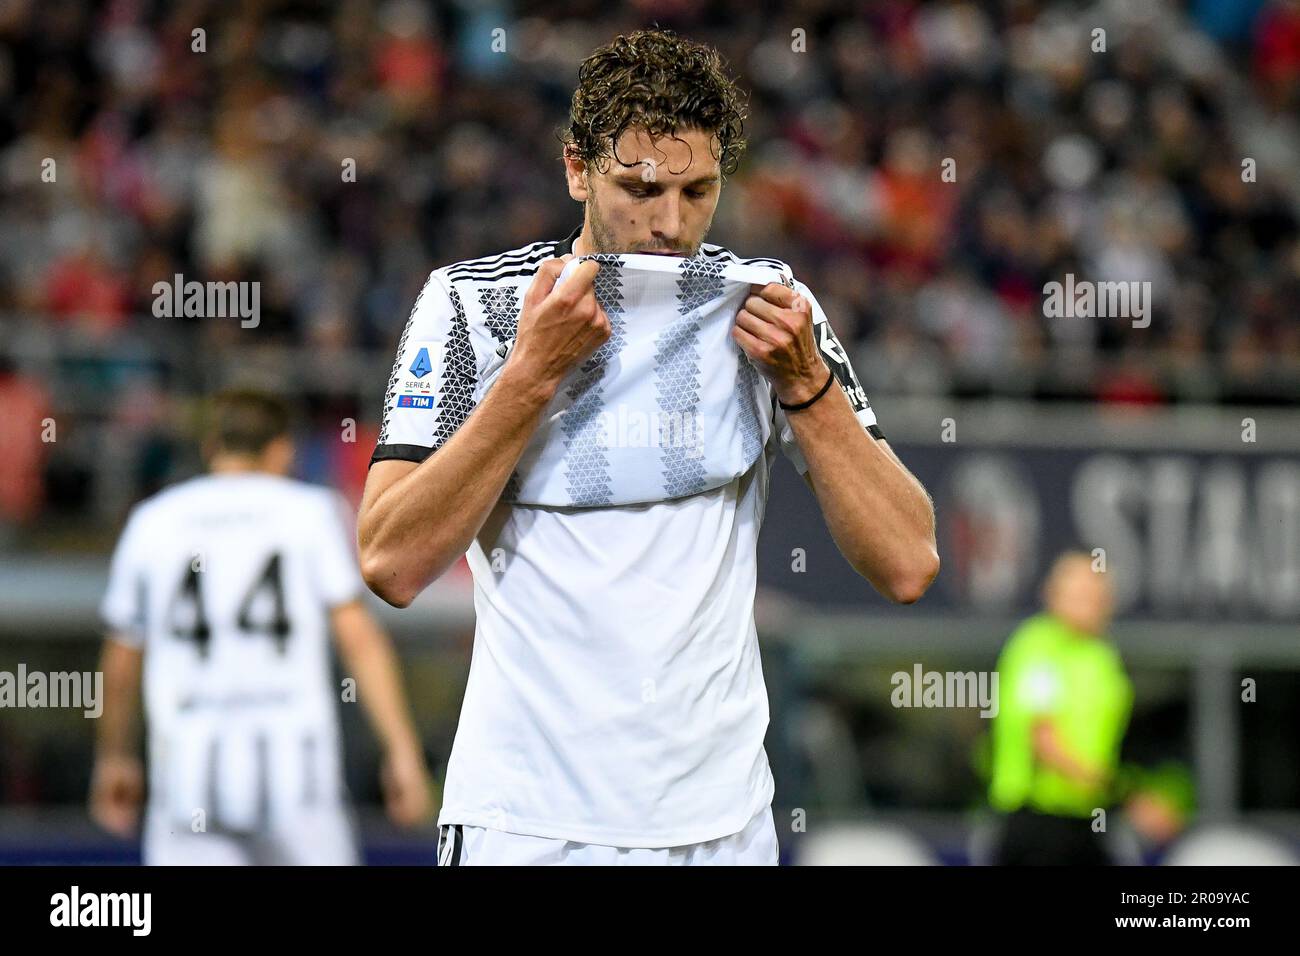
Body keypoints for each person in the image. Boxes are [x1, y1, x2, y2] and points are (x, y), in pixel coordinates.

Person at [359, 29, 939, 866]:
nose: (670, 224)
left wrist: (806, 385)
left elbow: (909, 561)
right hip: (528, 824)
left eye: (699, 191)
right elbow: (390, 561)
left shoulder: (771, 311)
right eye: (639, 187)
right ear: (576, 170)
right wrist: (529, 378)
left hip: (722, 831)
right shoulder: (475, 308)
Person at [91, 389, 434, 864]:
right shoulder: (311, 511)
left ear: (212, 445)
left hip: (190, 767)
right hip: (295, 767)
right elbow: (360, 641)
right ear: (282, 448)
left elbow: (122, 657)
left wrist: (114, 757)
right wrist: (401, 751)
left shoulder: (153, 521)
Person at [989, 551, 1134, 865]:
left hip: (1086, 816)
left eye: (1098, 594)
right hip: (1037, 819)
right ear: (1052, 595)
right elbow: (1044, 741)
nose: (1093, 603)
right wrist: (1121, 791)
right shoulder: (1037, 647)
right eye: (1080, 594)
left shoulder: (1102, 656)